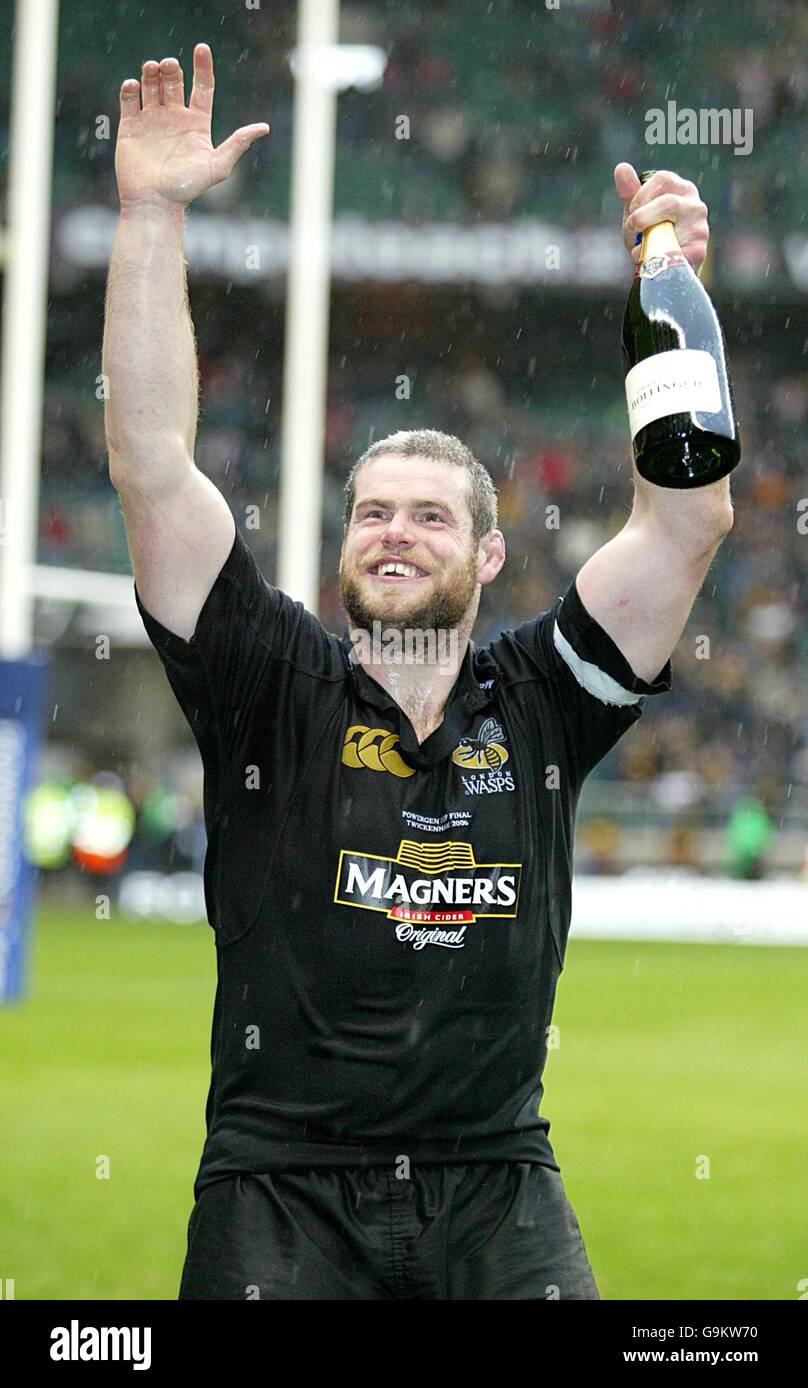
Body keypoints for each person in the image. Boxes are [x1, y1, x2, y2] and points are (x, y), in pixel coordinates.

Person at [103, 43, 729, 1300]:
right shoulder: (268, 683)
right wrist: (152, 216)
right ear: (342, 544)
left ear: (490, 553)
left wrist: (669, 286)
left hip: (497, 1185)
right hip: (277, 1190)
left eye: (431, 516)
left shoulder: (546, 695)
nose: (395, 531)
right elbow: (154, 464)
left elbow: (685, 520)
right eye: (372, 512)